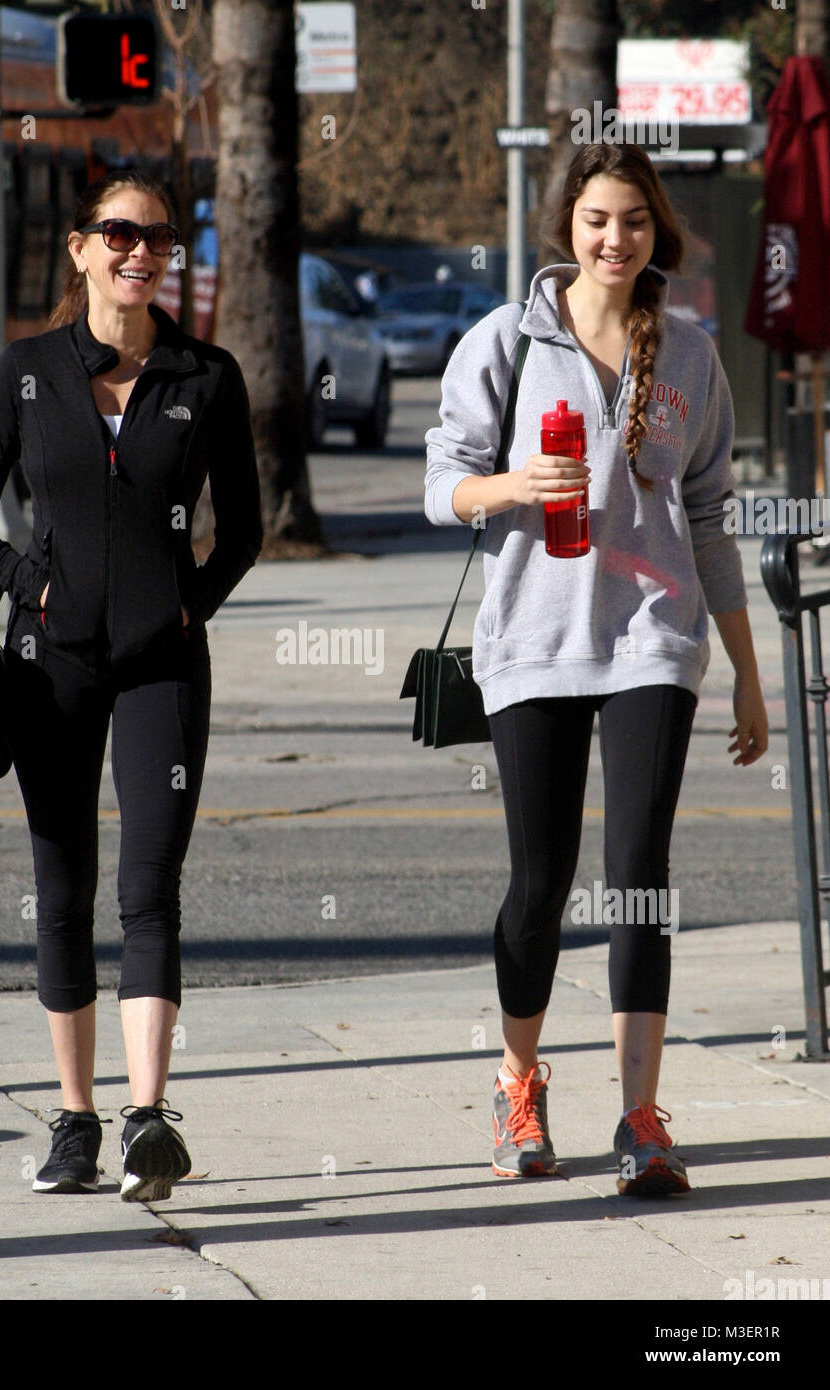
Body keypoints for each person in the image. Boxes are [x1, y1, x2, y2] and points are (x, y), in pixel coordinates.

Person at [424, 142, 768, 1196]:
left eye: (631, 220)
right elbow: (441, 487)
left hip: (653, 642)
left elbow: (706, 521)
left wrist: (747, 671)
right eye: (595, 220)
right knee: (538, 886)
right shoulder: (507, 342)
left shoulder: (693, 357)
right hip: (533, 641)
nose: (613, 238)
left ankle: (638, 1118)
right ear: (566, 230)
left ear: (654, 230)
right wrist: (515, 483)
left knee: (638, 883)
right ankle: (518, 1079)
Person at [0, 169, 262, 1200]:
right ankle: (74, 1120)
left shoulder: (204, 375)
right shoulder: (26, 371)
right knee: (63, 889)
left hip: (163, 666)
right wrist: (34, 584)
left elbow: (247, 530)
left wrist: (191, 600)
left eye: (157, 238)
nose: (140, 252)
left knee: (149, 890)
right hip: (49, 668)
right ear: (79, 248)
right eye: (118, 234)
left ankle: (147, 1119)